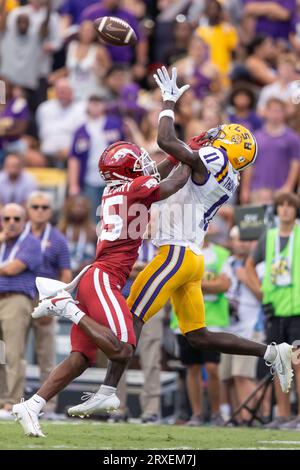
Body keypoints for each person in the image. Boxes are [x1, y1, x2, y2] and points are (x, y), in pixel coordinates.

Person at [48, 66, 294, 419]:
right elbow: (175, 161)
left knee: (131, 318)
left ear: (228, 146)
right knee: (198, 336)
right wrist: (184, 148)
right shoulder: (231, 177)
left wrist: (167, 103)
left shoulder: (213, 158)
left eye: (221, 135)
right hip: (191, 257)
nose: (213, 135)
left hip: (175, 253)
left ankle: (106, 391)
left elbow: (166, 142)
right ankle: (272, 353)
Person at [12, 140, 191, 437]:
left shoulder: (116, 188)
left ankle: (31, 405)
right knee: (123, 348)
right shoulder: (133, 189)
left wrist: (176, 153)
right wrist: (190, 156)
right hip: (103, 278)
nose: (144, 167)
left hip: (96, 277)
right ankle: (65, 306)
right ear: (126, 171)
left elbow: (156, 176)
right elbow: (173, 183)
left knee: (80, 359)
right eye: (137, 164)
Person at [246, 192, 300, 430]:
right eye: (281, 206)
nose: (285, 209)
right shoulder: (268, 237)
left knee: (298, 363)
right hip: (274, 310)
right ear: (277, 210)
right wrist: (261, 294)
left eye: (290, 206)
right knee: (281, 364)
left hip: (297, 310)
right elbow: (249, 266)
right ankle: (283, 416)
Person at [26, 191, 72, 417]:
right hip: (18, 296)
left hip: (44, 299)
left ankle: (47, 405)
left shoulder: (57, 239)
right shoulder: (17, 234)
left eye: (44, 207)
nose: (39, 211)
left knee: (46, 355)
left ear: (50, 211)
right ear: (28, 209)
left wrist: (53, 300)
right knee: (10, 354)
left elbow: (65, 273)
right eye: (35, 206)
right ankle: (8, 401)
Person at [0, 203, 42, 419]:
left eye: (16, 219)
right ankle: (1, 400)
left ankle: (12, 402)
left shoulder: (31, 242)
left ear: (24, 221)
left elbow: (12, 268)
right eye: (7, 219)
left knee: (13, 353)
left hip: (15, 300)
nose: (11, 223)